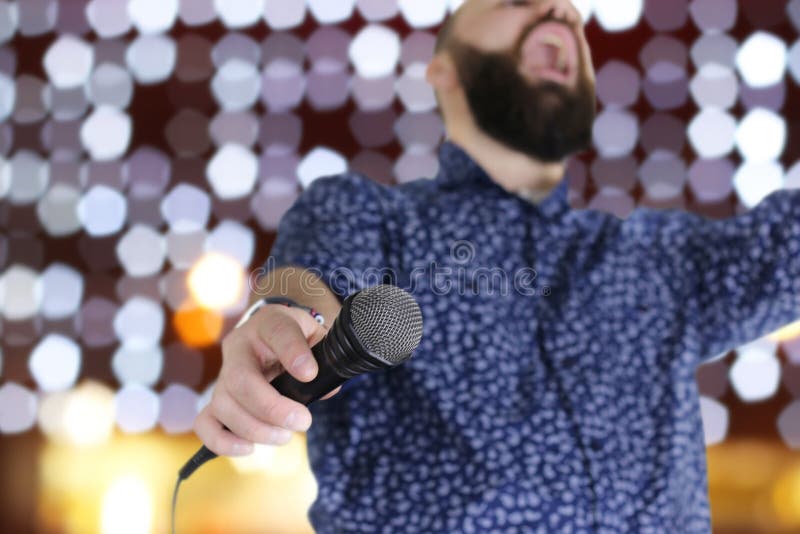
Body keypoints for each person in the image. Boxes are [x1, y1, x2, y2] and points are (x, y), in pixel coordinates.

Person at [194, 0, 800, 531]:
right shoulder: (366, 214)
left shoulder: (666, 258)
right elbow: (309, 285)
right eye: (518, 0)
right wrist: (277, 323)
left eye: (572, 15)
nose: (561, 11)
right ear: (443, 69)